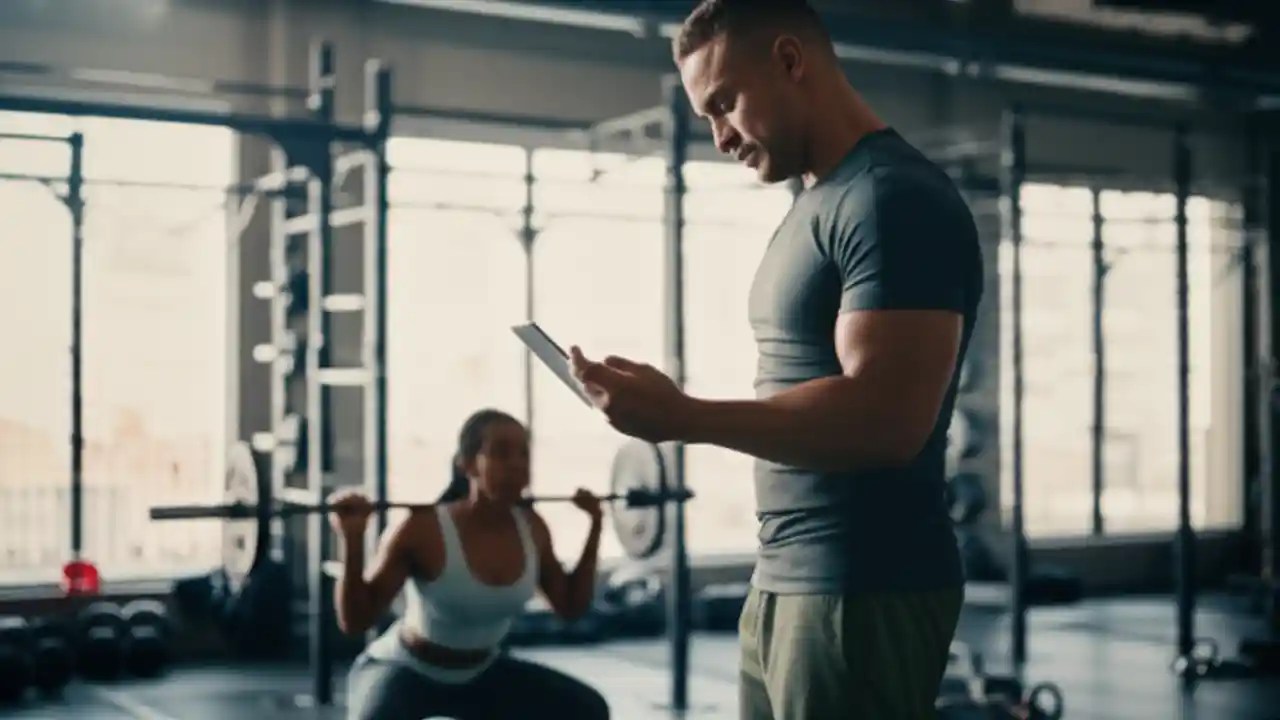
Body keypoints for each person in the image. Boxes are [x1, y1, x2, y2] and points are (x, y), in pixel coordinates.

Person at [568, 1, 985, 718]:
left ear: (791, 62)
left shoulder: (892, 198)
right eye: (705, 116)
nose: (719, 136)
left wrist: (684, 417)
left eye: (725, 104)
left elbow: (886, 421)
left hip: (861, 584)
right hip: (788, 578)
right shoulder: (814, 203)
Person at [327, 408, 611, 720]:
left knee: (587, 710)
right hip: (407, 671)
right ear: (467, 464)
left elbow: (570, 607)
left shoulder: (532, 528)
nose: (517, 464)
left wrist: (595, 525)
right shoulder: (424, 529)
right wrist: (352, 540)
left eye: (524, 454)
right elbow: (354, 621)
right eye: (501, 453)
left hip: (483, 673)